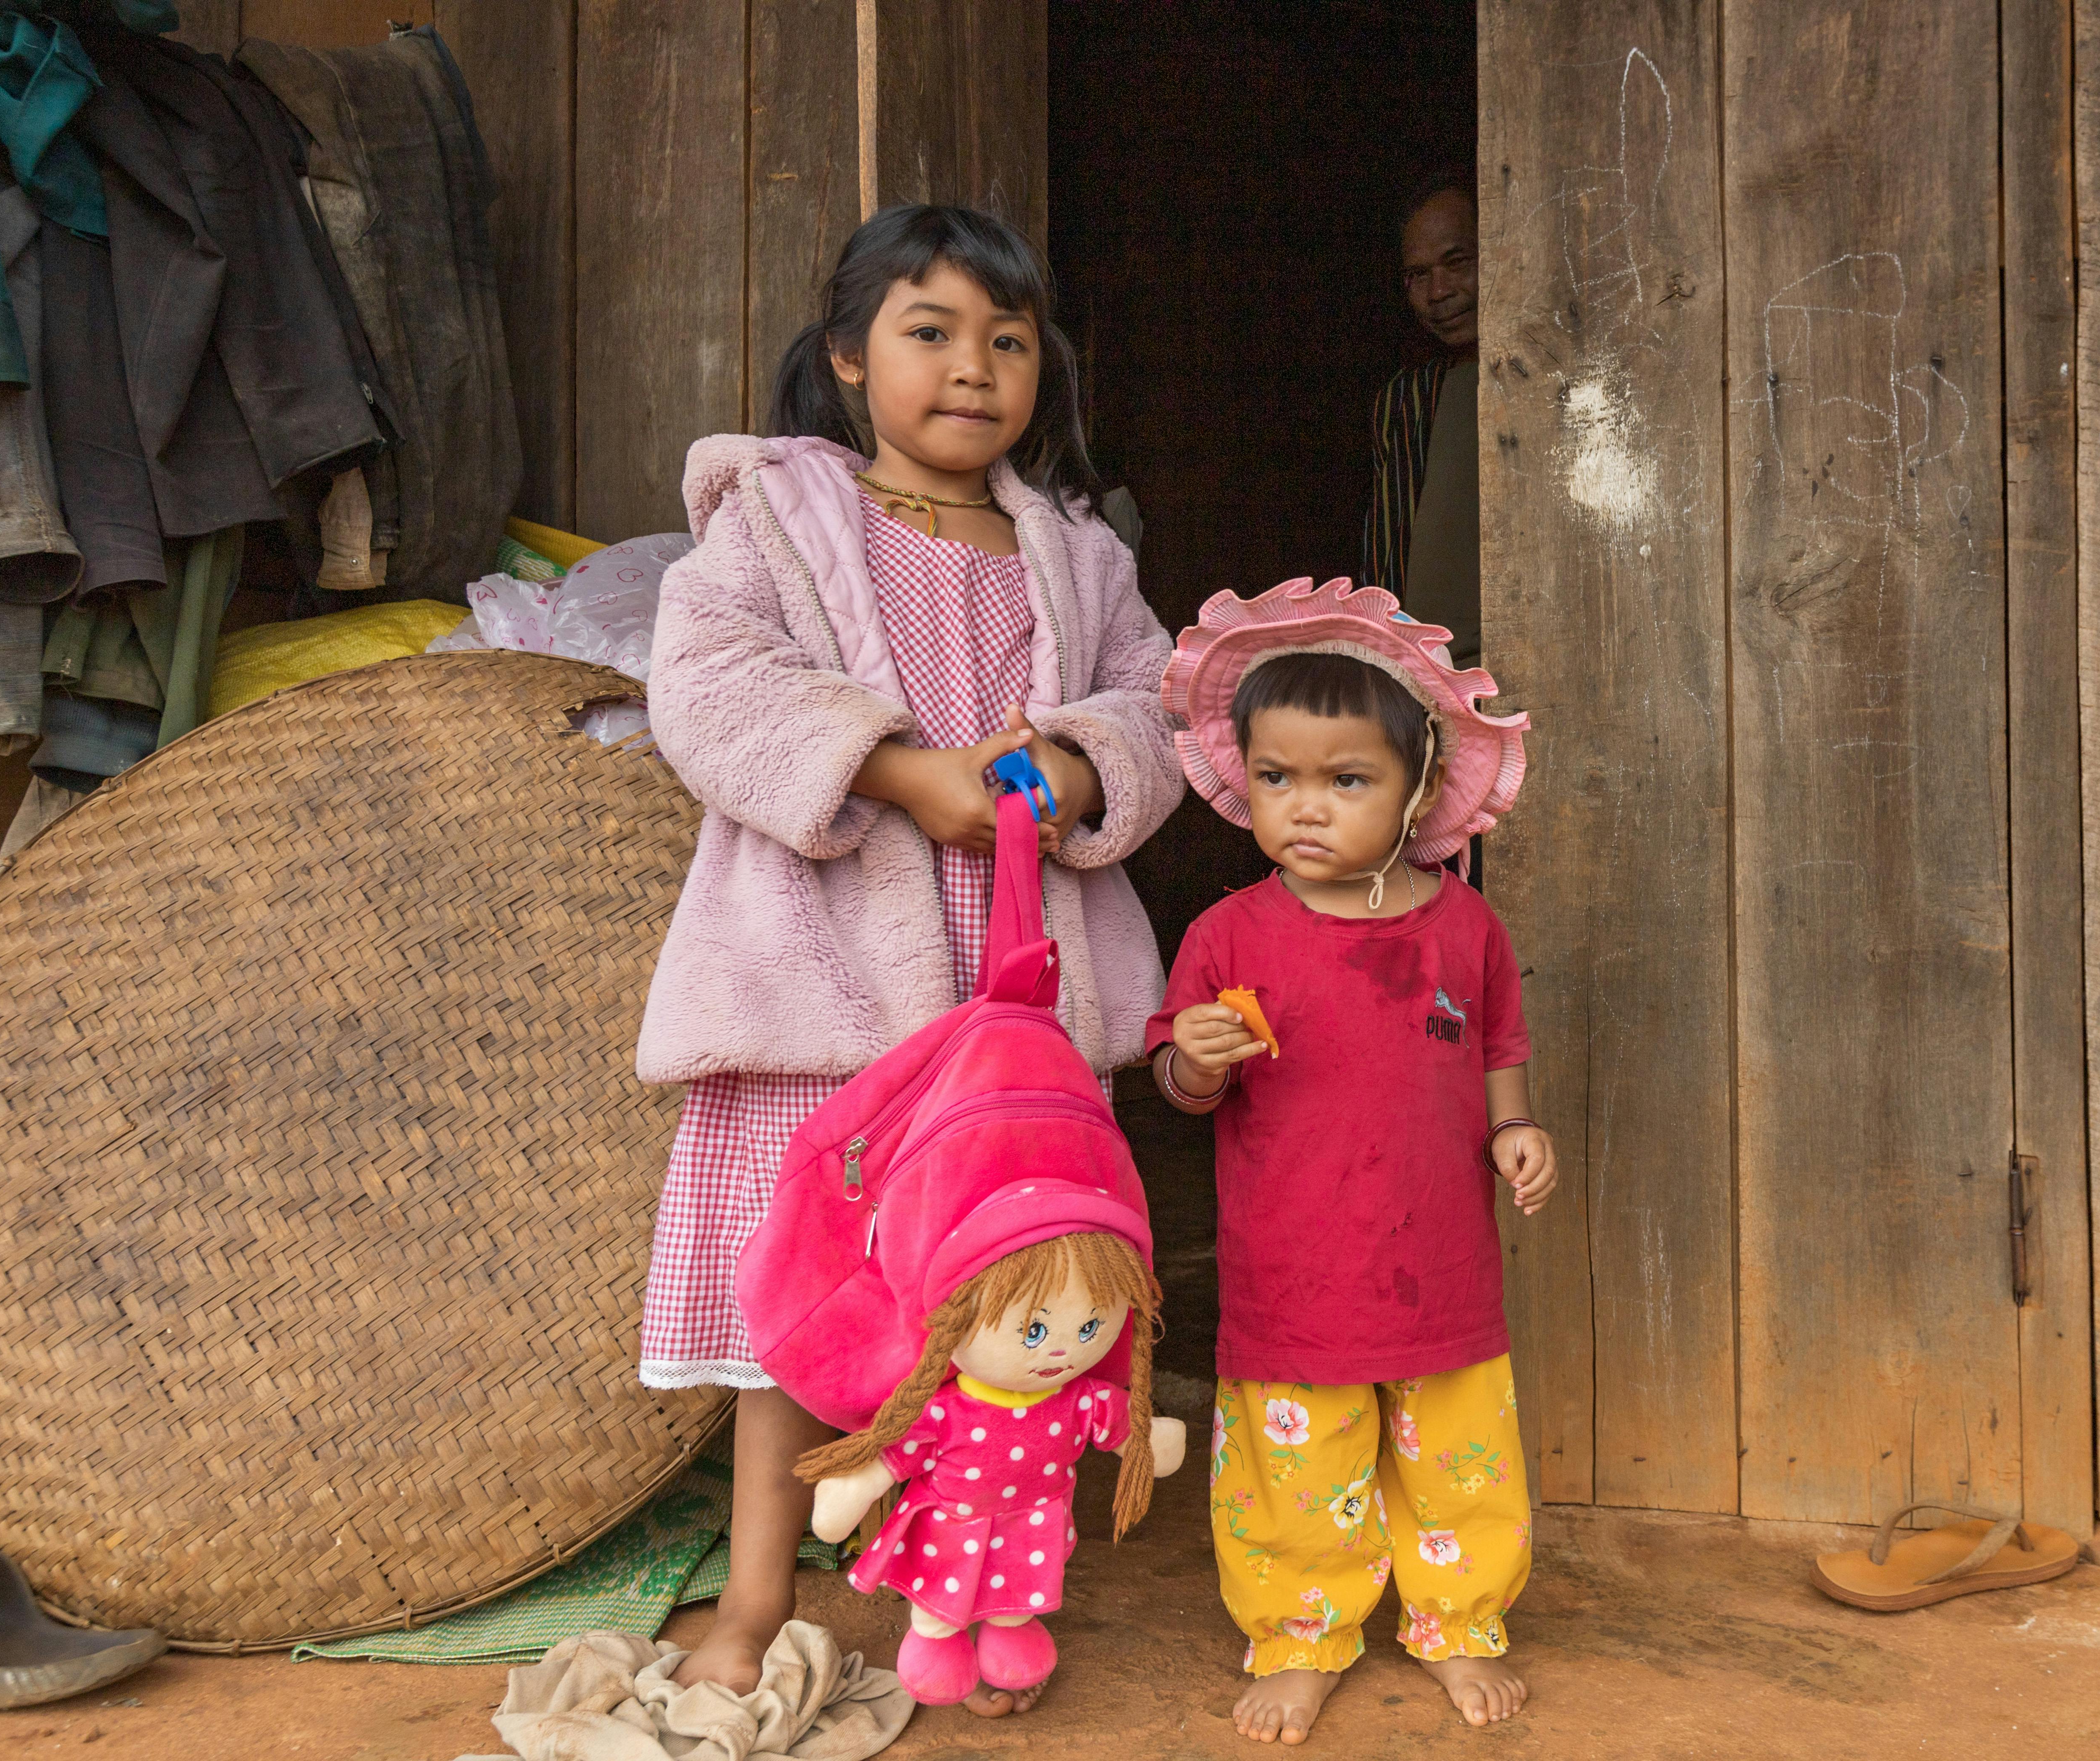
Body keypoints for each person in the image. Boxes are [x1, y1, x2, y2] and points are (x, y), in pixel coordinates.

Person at [634, 203, 1184, 1708]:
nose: (972, 367)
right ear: (843, 360)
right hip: (830, 989)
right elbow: (708, 682)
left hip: (1007, 991)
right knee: (798, 1292)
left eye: (1008, 341)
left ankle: (983, 1589)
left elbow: (1158, 703)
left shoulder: (1073, 552)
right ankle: (754, 1597)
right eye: (929, 332)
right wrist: (895, 769)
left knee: (999, 1298)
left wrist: (1075, 770)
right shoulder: (779, 524)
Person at [1147, 580, 1551, 1744]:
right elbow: (1180, 1090)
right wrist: (1201, 1059)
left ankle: (1461, 1623)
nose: (1305, 810)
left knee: (1460, 1464)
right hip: (1296, 1268)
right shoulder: (1229, 934)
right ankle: (1302, 1633)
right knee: (1298, 1467)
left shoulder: (1466, 927)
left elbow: (1498, 1043)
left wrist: (1516, 1129)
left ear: (1419, 789)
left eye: (1347, 781)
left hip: (1443, 1267)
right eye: (1277, 779)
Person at [1363, 168, 1480, 667]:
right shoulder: (1406, 401)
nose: (1438, 292)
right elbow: (1383, 574)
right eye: (1419, 275)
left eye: (1457, 262)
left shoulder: (1557, 382)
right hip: (1430, 690)